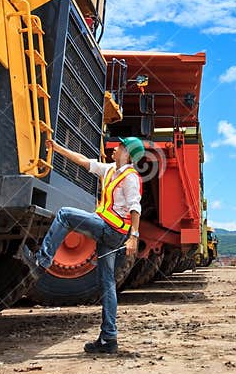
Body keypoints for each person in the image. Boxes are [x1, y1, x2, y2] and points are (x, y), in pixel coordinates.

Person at [20, 137, 144, 354]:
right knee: (107, 284)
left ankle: (42, 261)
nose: (115, 148)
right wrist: (57, 148)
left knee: (65, 215)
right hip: (110, 232)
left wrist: (134, 236)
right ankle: (108, 339)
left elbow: (135, 207)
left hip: (112, 230)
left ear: (127, 154)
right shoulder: (109, 170)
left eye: (120, 147)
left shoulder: (130, 177)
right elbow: (83, 161)